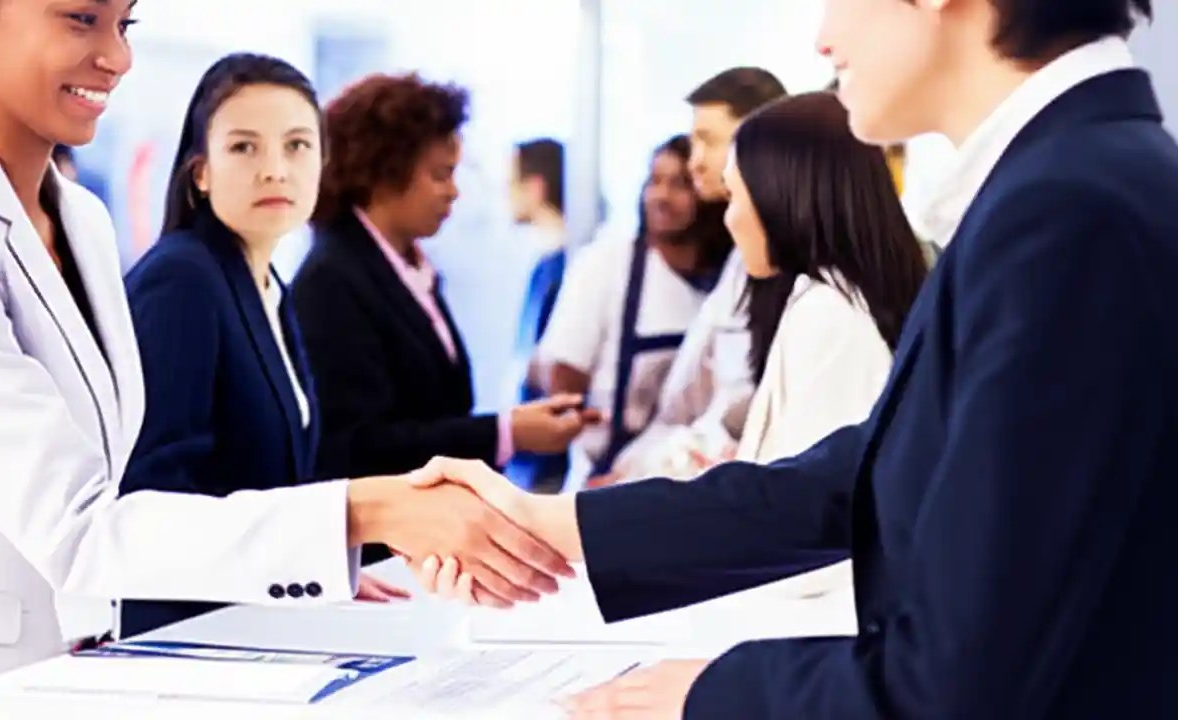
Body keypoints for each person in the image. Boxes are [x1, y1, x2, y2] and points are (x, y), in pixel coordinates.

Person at [415, 0, 1176, 716]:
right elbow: (870, 473)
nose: (822, 39)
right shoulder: (1068, 181)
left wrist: (712, 693)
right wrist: (555, 523)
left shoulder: (1068, 211)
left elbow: (960, 676)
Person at [0, 2, 567, 701]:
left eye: (124, 26)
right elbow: (80, 524)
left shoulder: (82, 220)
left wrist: (336, 545)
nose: (118, 57)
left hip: (80, 671)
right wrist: (367, 512)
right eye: (80, 18)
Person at [119, 54, 412, 637]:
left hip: (256, 624)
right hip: (188, 633)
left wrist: (325, 570)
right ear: (199, 171)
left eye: (298, 146)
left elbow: (276, 481)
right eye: (244, 148)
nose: (275, 170)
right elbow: (155, 493)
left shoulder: (264, 282)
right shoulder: (183, 279)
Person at [291, 74, 597, 563]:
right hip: (376, 557)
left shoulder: (409, 268)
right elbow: (355, 445)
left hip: (421, 548)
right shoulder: (333, 278)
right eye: (439, 175)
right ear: (384, 172)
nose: (454, 192)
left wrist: (509, 427)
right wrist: (506, 432)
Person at [606, 67, 787, 482]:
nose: (695, 162)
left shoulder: (787, 263)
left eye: (707, 141)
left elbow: (744, 410)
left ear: (758, 140)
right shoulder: (738, 259)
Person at [536, 135, 730, 487]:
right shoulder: (607, 263)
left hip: (683, 477)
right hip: (602, 477)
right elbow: (564, 376)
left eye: (679, 184)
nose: (661, 196)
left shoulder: (726, 279)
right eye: (654, 181)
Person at [505, 138, 570, 491]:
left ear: (535, 187)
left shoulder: (563, 269)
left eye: (511, 184)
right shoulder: (547, 266)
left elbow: (548, 368)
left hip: (549, 464)